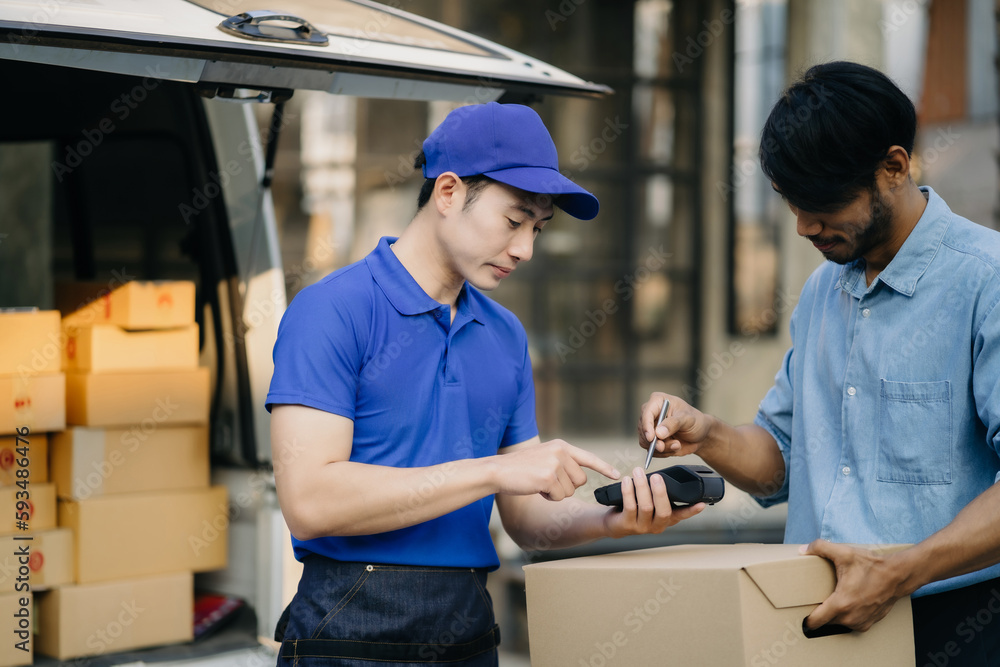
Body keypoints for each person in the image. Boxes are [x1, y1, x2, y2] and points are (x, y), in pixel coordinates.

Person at [267, 101, 704, 666]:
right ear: (447, 192)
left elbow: (524, 519)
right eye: (514, 221)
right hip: (349, 624)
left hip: (469, 628)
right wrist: (495, 469)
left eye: (538, 229)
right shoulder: (332, 310)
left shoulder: (504, 334)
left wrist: (614, 520)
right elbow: (310, 501)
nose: (525, 248)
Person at [638, 61, 1000, 665]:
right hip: (812, 620)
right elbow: (780, 462)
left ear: (894, 167)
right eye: (791, 204)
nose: (806, 226)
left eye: (824, 204)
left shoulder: (986, 282)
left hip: (956, 626)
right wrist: (707, 433)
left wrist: (903, 572)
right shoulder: (821, 292)